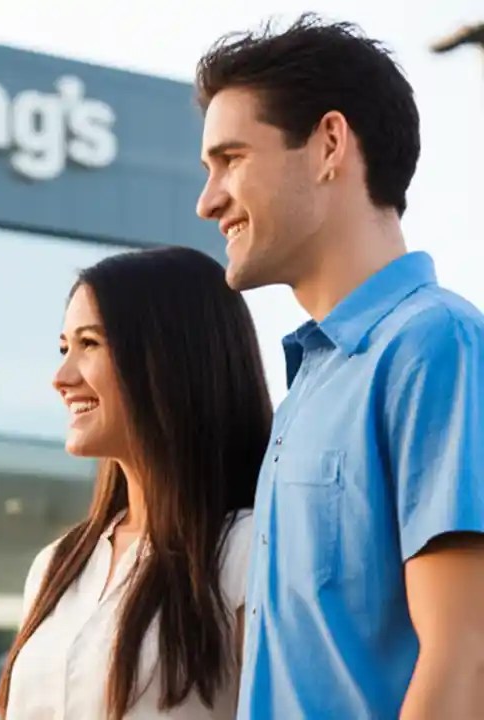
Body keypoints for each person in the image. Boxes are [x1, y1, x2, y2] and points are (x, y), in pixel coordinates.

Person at [194, 14, 484, 719]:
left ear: (328, 143)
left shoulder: (434, 344)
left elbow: (466, 654)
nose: (208, 201)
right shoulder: (309, 387)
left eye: (231, 159)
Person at [0, 246, 273, 719]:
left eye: (90, 344)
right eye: (65, 348)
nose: (61, 378)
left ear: (167, 358)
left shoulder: (252, 553)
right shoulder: (55, 566)